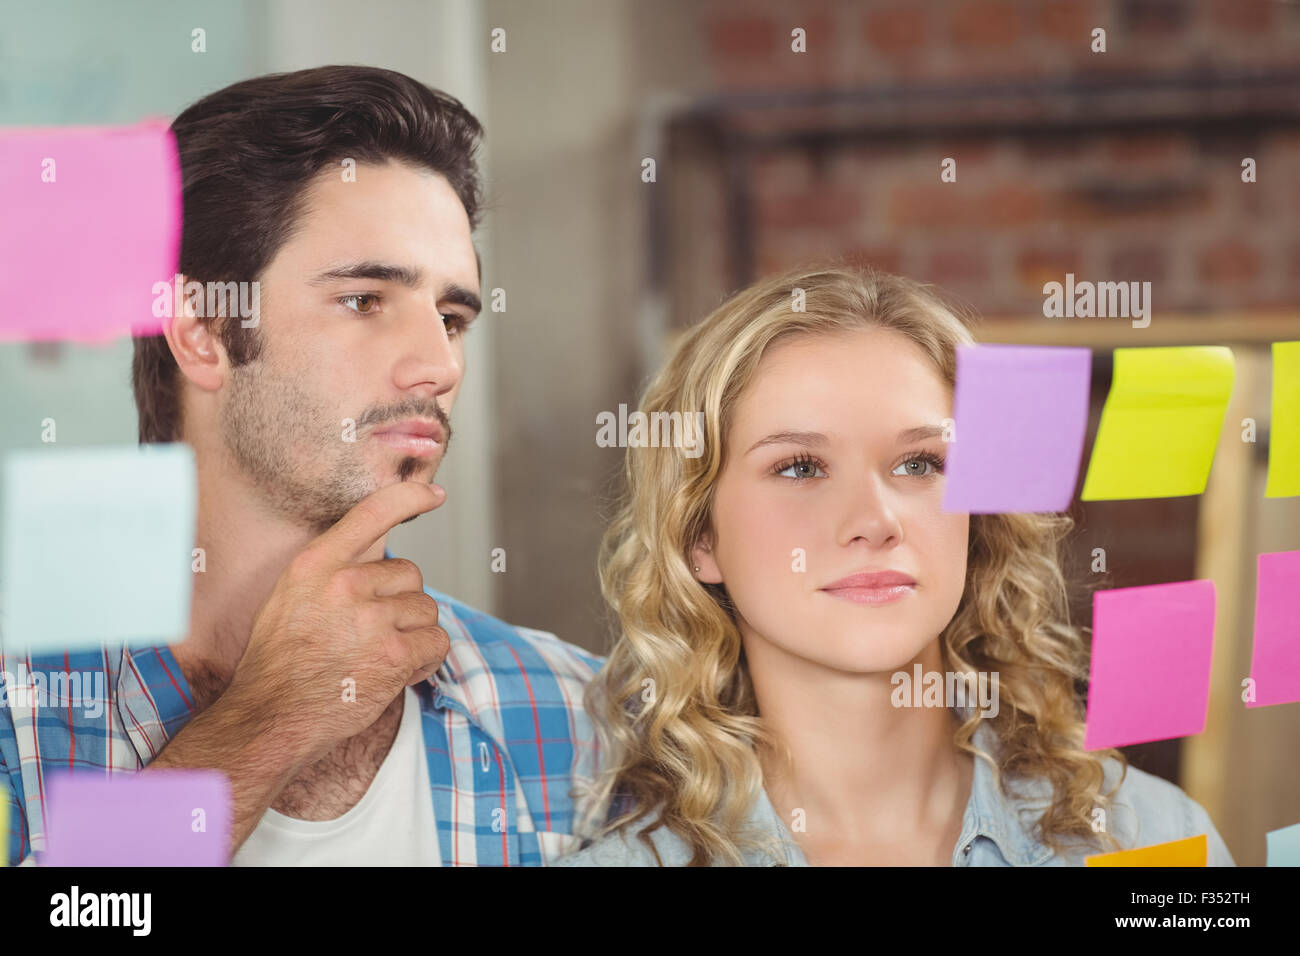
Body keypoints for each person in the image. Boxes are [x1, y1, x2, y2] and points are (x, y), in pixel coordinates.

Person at [0, 65, 600, 867]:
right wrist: (271, 717)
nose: (438, 364)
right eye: (365, 301)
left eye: (452, 317)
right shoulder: (22, 711)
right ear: (204, 332)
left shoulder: (573, 716)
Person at [556, 264, 1234, 867]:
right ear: (700, 536)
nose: (875, 521)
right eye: (799, 467)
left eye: (919, 464)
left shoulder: (1154, 839)